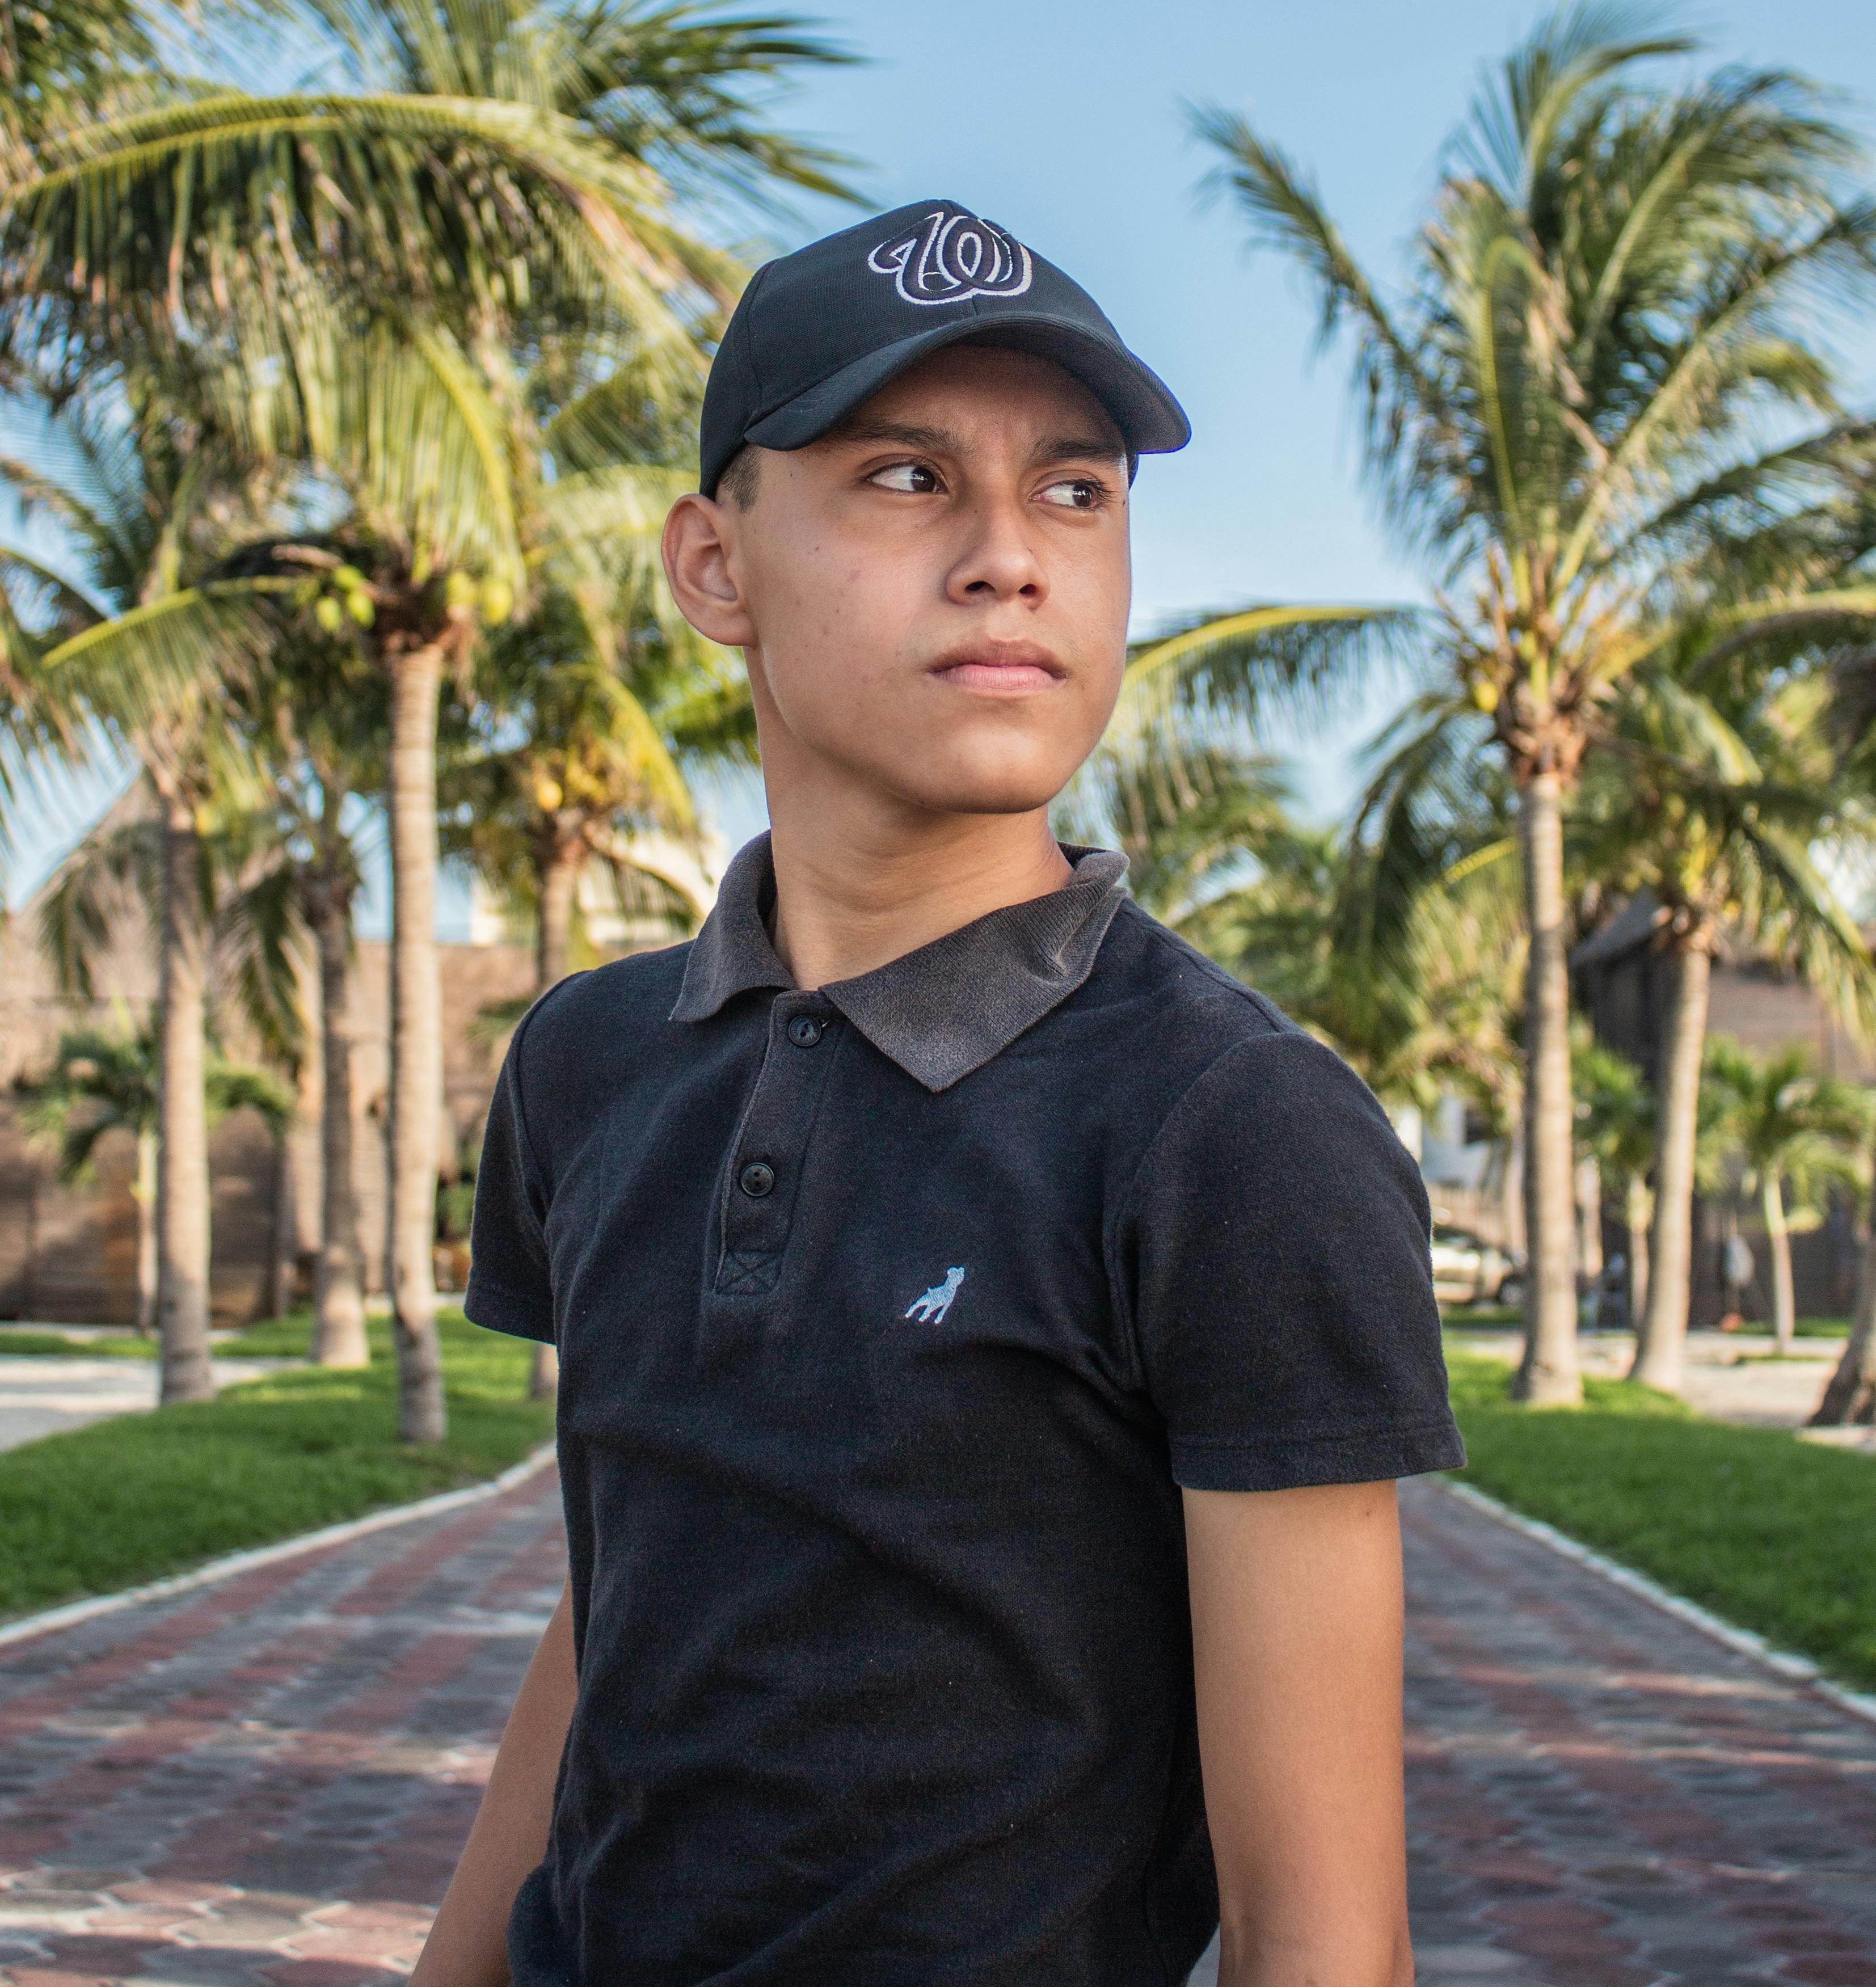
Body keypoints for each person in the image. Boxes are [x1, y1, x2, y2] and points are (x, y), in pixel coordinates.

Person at [419, 200, 1462, 1987]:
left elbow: (1320, 1928)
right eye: (905, 478)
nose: (1008, 559)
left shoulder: (1232, 1126)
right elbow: (619, 1606)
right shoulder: (587, 1061)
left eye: (1074, 491)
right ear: (713, 568)